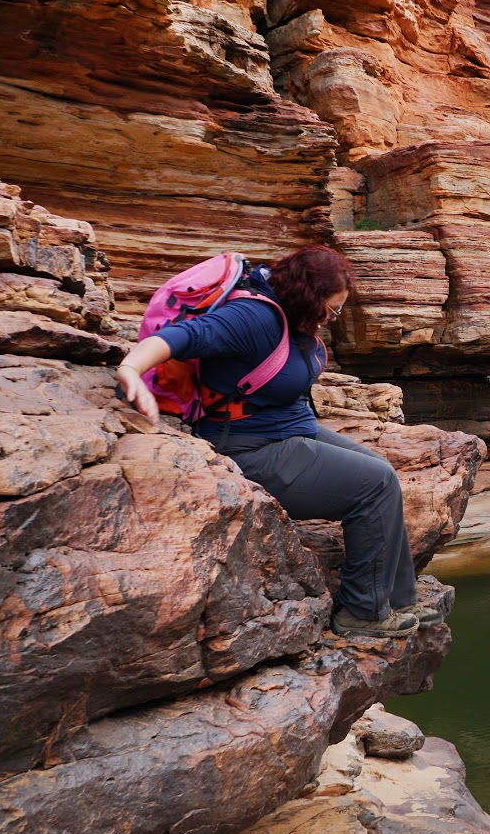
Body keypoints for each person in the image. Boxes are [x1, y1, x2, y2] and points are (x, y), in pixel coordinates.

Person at [115, 245, 435, 639]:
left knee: (382, 474)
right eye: (331, 310)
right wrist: (131, 368)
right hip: (248, 448)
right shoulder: (253, 317)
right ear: (307, 298)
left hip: (286, 429)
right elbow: (181, 336)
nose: (332, 320)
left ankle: (399, 598)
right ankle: (362, 614)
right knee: (375, 484)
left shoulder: (292, 317)